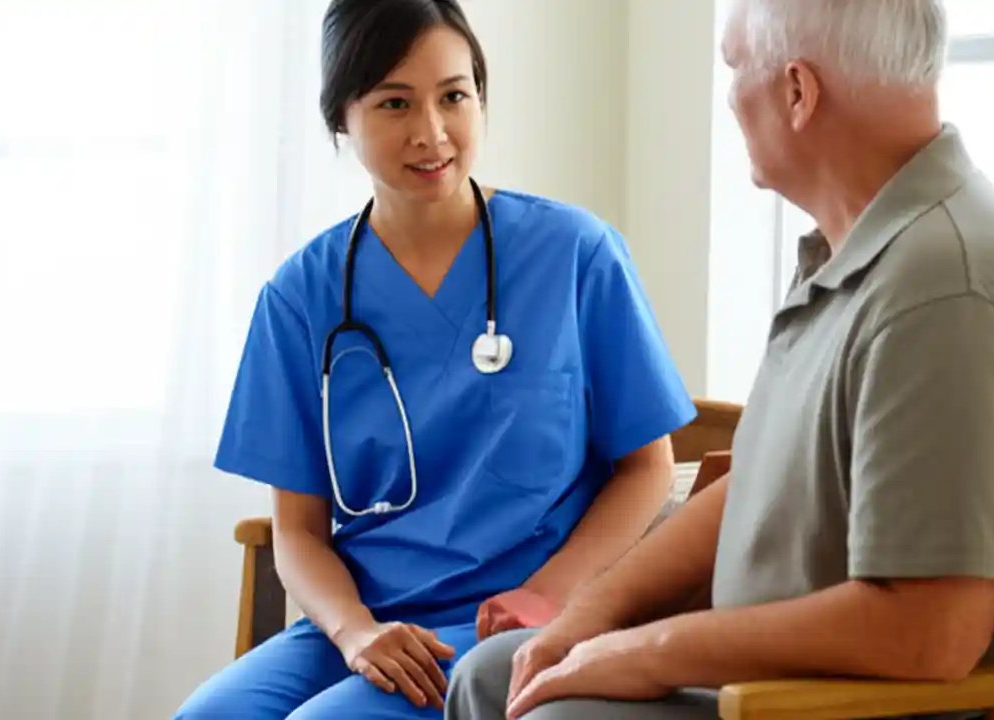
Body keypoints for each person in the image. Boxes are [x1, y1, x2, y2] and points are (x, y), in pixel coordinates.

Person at [447, 0, 994, 718]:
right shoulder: (857, 251)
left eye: (735, 69)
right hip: (789, 683)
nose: (730, 97)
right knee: (494, 673)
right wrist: (588, 617)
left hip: (883, 704)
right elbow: (754, 487)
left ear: (797, 91)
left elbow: (931, 634)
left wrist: (650, 650)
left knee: (549, 713)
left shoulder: (948, 289)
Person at [171, 0, 696, 718]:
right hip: (370, 621)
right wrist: (357, 633)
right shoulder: (301, 296)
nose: (432, 132)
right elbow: (297, 529)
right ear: (341, 117)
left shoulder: (575, 255)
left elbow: (648, 466)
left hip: (511, 619)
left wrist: (551, 592)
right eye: (394, 103)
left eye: (454, 96)